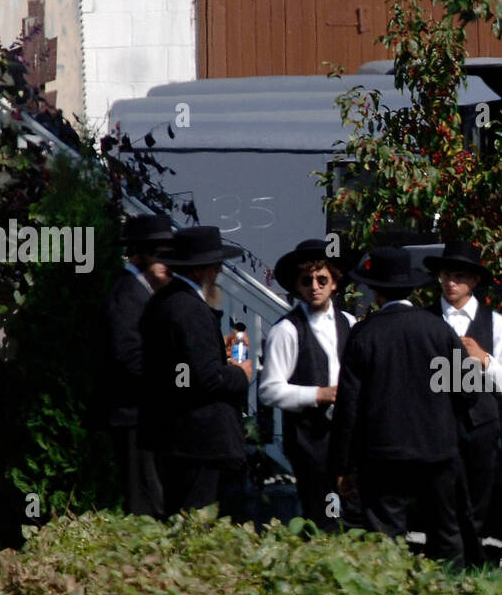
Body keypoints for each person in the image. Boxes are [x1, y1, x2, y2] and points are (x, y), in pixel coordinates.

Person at [330, 246, 475, 565]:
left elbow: (348, 406)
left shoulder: (365, 333)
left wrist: (343, 465)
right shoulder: (439, 329)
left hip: (382, 453)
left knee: (385, 537)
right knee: (445, 532)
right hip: (437, 450)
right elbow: (468, 392)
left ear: (375, 290)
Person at [139, 226, 253, 519]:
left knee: (181, 521)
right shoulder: (189, 308)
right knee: (197, 527)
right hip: (200, 442)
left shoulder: (162, 302)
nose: (218, 275)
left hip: (175, 438)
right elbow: (207, 378)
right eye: (216, 269)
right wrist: (241, 373)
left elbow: (185, 366)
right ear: (204, 270)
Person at [424, 240, 502, 559]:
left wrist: (484, 359)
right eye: (446, 275)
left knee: (476, 504)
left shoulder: (496, 323)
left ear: (475, 280)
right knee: (438, 503)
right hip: (435, 425)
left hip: (481, 427)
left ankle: (472, 566)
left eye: (460, 276)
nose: (452, 282)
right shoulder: (425, 319)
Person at [259, 239, 356, 529]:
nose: (315, 286)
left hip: (345, 435)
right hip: (308, 438)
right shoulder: (287, 330)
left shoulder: (349, 322)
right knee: (320, 510)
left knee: (347, 510)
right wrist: (318, 394)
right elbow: (268, 390)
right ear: (297, 286)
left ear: (334, 283)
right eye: (307, 280)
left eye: (321, 279)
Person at [104, 213, 173, 518]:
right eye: (161, 254)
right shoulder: (127, 293)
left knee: (156, 496)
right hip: (134, 415)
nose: (169, 264)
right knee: (146, 502)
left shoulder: (144, 292)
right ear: (141, 254)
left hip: (147, 414)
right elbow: (130, 357)